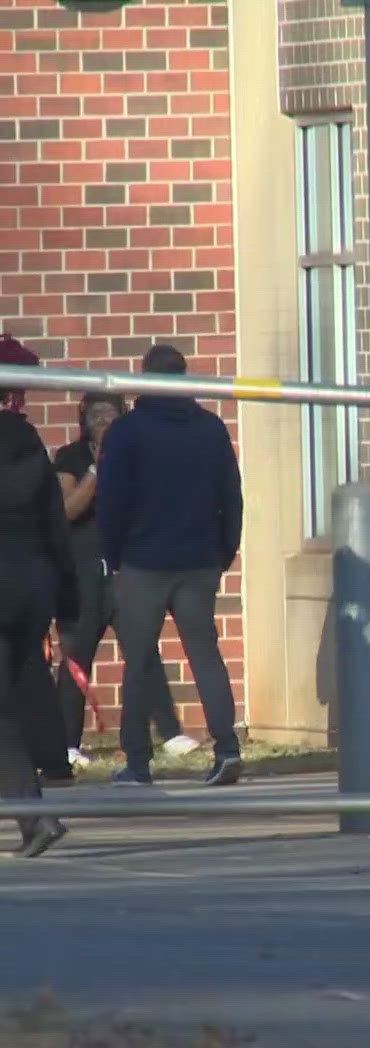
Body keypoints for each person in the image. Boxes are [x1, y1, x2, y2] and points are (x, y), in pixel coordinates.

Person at [97, 343, 245, 787]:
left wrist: (113, 553)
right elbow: (231, 496)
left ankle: (138, 762)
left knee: (139, 660)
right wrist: (225, 551)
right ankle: (227, 748)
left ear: (144, 378)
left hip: (143, 560)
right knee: (205, 654)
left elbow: (112, 501)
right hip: (199, 559)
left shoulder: (127, 432)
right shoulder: (210, 428)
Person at [51, 392, 188, 775]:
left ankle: (170, 732)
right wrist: (96, 472)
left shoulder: (137, 453)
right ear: (84, 420)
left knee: (143, 648)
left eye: (110, 415)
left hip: (127, 568)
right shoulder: (71, 458)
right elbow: (66, 510)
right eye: (95, 416)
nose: (103, 423)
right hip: (81, 572)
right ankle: (67, 743)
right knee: (77, 653)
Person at [0, 334, 72, 855]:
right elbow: (55, 526)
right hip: (32, 584)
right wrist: (66, 600)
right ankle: (40, 802)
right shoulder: (31, 446)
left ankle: (35, 815)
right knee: (24, 690)